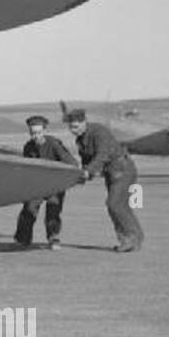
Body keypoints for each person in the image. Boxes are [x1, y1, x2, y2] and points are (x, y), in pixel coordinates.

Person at [65, 108, 144, 252]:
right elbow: (87, 159)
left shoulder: (99, 132)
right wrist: (83, 174)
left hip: (123, 170)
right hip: (111, 173)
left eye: (75, 127)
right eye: (70, 127)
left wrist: (88, 171)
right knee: (119, 206)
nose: (73, 130)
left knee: (114, 204)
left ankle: (132, 239)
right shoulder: (80, 139)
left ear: (84, 122)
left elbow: (102, 155)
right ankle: (129, 240)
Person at [14, 115, 77, 249]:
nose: (35, 136)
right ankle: (23, 239)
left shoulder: (54, 144)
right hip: (37, 185)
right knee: (29, 209)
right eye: (33, 133)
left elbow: (72, 163)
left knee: (53, 211)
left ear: (44, 131)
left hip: (55, 185)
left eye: (38, 132)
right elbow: (26, 168)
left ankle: (53, 239)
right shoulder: (28, 147)